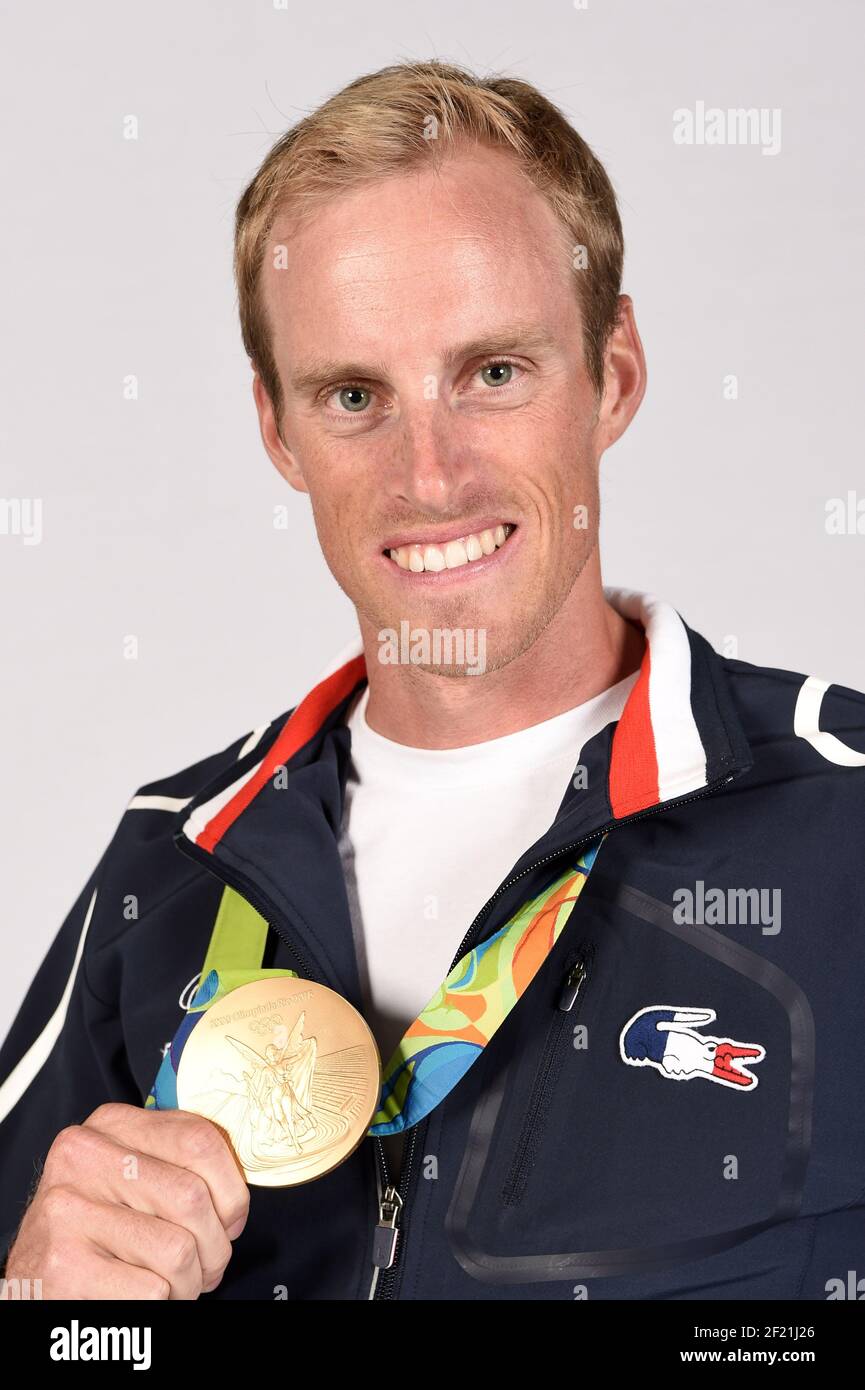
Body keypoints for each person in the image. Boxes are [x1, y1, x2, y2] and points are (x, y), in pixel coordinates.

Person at [1, 59, 863, 1302]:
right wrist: (49, 1316)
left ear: (611, 373)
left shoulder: (842, 818)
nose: (431, 473)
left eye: (493, 373)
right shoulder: (167, 863)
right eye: (355, 396)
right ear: (278, 433)